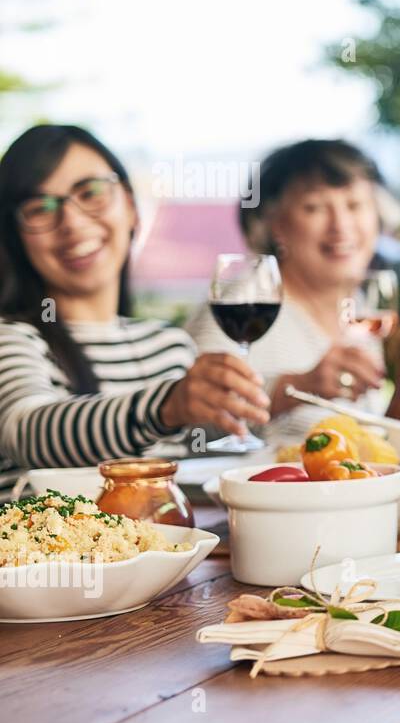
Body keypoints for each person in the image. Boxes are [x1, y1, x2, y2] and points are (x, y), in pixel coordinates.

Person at [0, 125, 269, 493]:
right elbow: (26, 430)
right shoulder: (11, 338)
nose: (73, 223)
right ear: (14, 235)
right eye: (41, 208)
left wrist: (275, 398)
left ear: (129, 205)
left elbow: (201, 457)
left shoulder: (168, 345)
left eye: (90, 192)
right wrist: (165, 407)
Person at [186, 140, 390, 447]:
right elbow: (191, 423)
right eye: (315, 207)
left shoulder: (360, 308)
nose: (341, 226)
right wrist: (295, 389)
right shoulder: (240, 304)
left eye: (355, 205)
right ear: (276, 226)